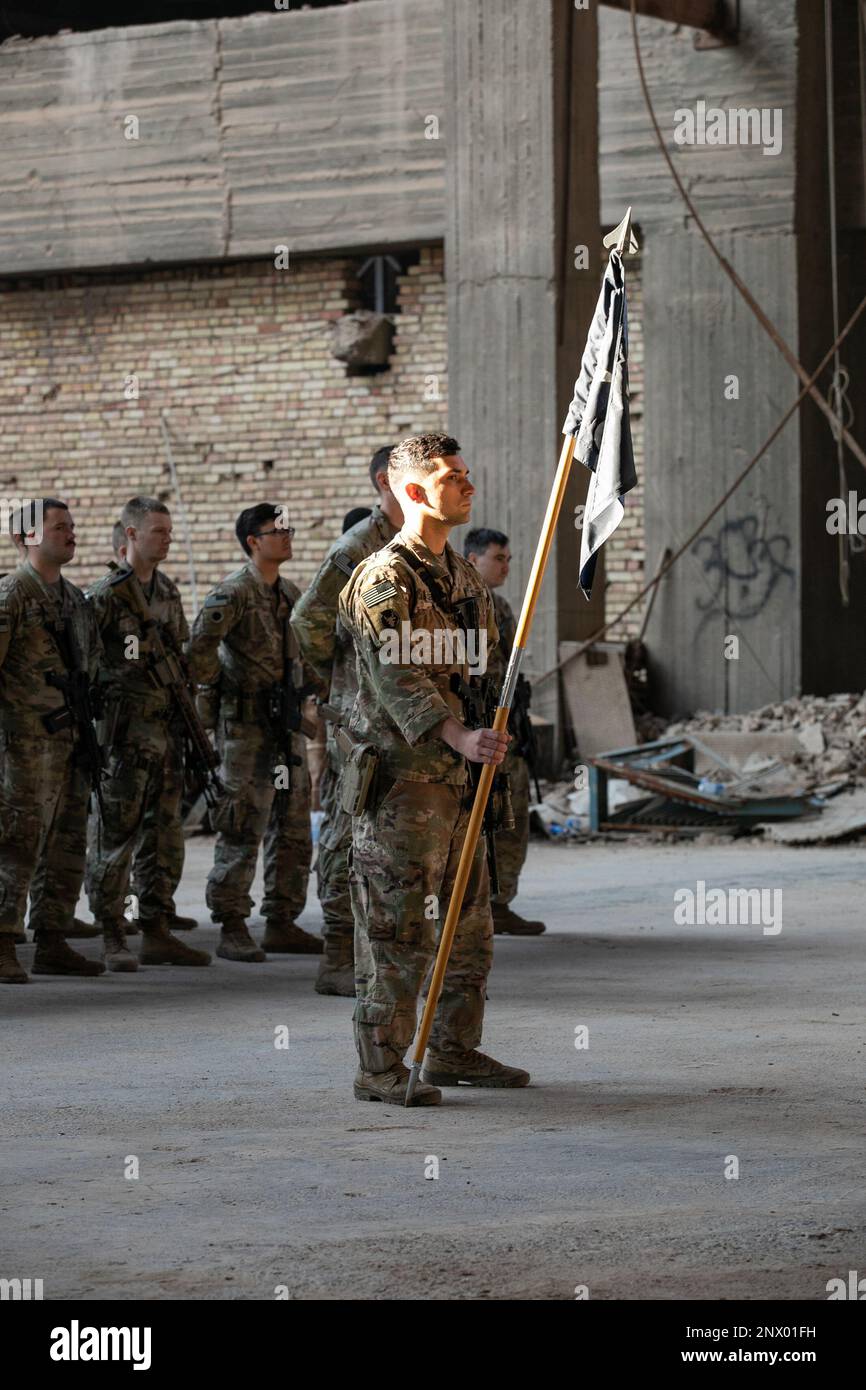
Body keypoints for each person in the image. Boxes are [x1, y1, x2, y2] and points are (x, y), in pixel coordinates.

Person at [338, 432, 531, 1105]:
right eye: (453, 477)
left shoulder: (464, 579)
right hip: (404, 785)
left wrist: (488, 732)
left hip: (459, 781)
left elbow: (478, 669)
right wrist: (458, 734)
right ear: (415, 490)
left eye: (467, 473)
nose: (468, 485)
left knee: (468, 925)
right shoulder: (383, 578)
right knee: (399, 929)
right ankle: (380, 1066)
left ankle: (452, 1048)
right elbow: (396, 675)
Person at [188, 503, 322, 962]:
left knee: (292, 826)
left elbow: (303, 655)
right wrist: (223, 690)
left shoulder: (289, 593)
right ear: (253, 542)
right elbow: (199, 650)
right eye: (277, 531)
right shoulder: (233, 593)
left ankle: (281, 921)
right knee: (242, 825)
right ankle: (231, 923)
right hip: (245, 732)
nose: (287, 537)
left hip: (285, 730)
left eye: (289, 529)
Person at [291, 447, 402, 996]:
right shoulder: (357, 546)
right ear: (386, 481)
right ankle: (337, 953)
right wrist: (342, 680)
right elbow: (308, 620)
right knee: (345, 834)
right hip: (359, 723)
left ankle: (380, 954)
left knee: (390, 842)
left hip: (402, 720)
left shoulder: (417, 544)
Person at [86, 497, 210, 971]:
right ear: (132, 535)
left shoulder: (167, 591)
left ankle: (156, 927)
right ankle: (113, 932)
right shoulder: (104, 597)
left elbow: (179, 658)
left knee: (164, 836)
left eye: (169, 531)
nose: (167, 539)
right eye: (159, 531)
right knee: (116, 836)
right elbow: (85, 664)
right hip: (123, 739)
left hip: (165, 735)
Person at [0, 499, 105, 982]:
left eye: (72, 526)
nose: (71, 533)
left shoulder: (75, 600)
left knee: (67, 842)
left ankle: (53, 937)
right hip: (23, 745)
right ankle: (3, 941)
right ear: (26, 537)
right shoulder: (11, 596)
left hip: (71, 741)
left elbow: (91, 667)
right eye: (59, 526)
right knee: (16, 843)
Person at [465, 527, 545, 936]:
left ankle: (500, 902)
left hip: (504, 728)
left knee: (512, 815)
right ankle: (467, 906)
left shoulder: (502, 606)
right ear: (473, 559)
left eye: (509, 559)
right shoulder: (456, 604)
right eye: (499, 558)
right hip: (469, 732)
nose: (506, 566)